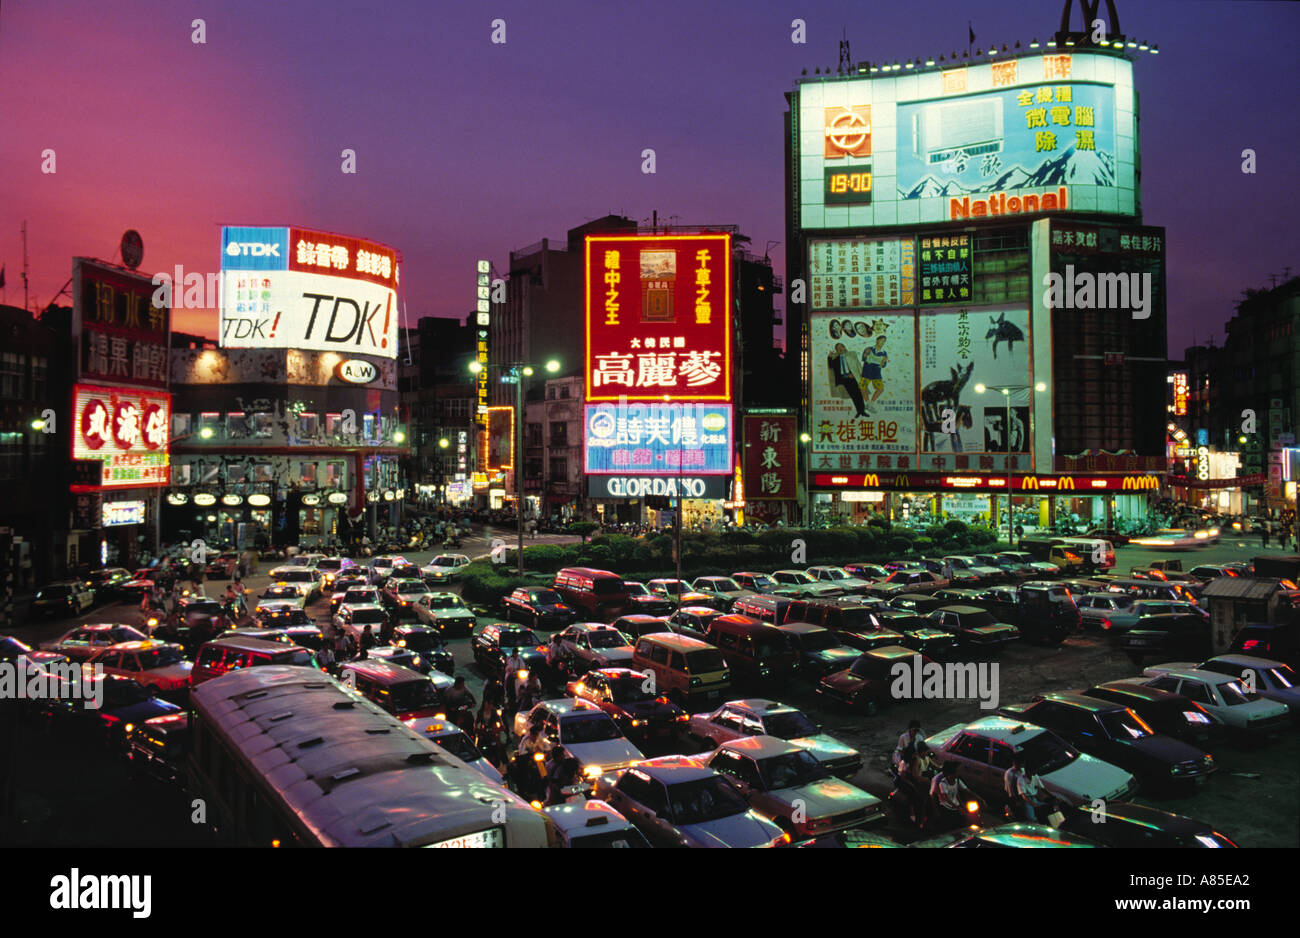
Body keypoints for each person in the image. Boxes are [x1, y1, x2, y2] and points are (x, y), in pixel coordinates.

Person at [929, 762, 976, 831]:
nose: (959, 772)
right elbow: (933, 794)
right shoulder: (938, 779)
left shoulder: (956, 779)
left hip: (952, 805)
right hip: (942, 804)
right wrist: (936, 810)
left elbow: (961, 791)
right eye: (957, 770)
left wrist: (962, 804)